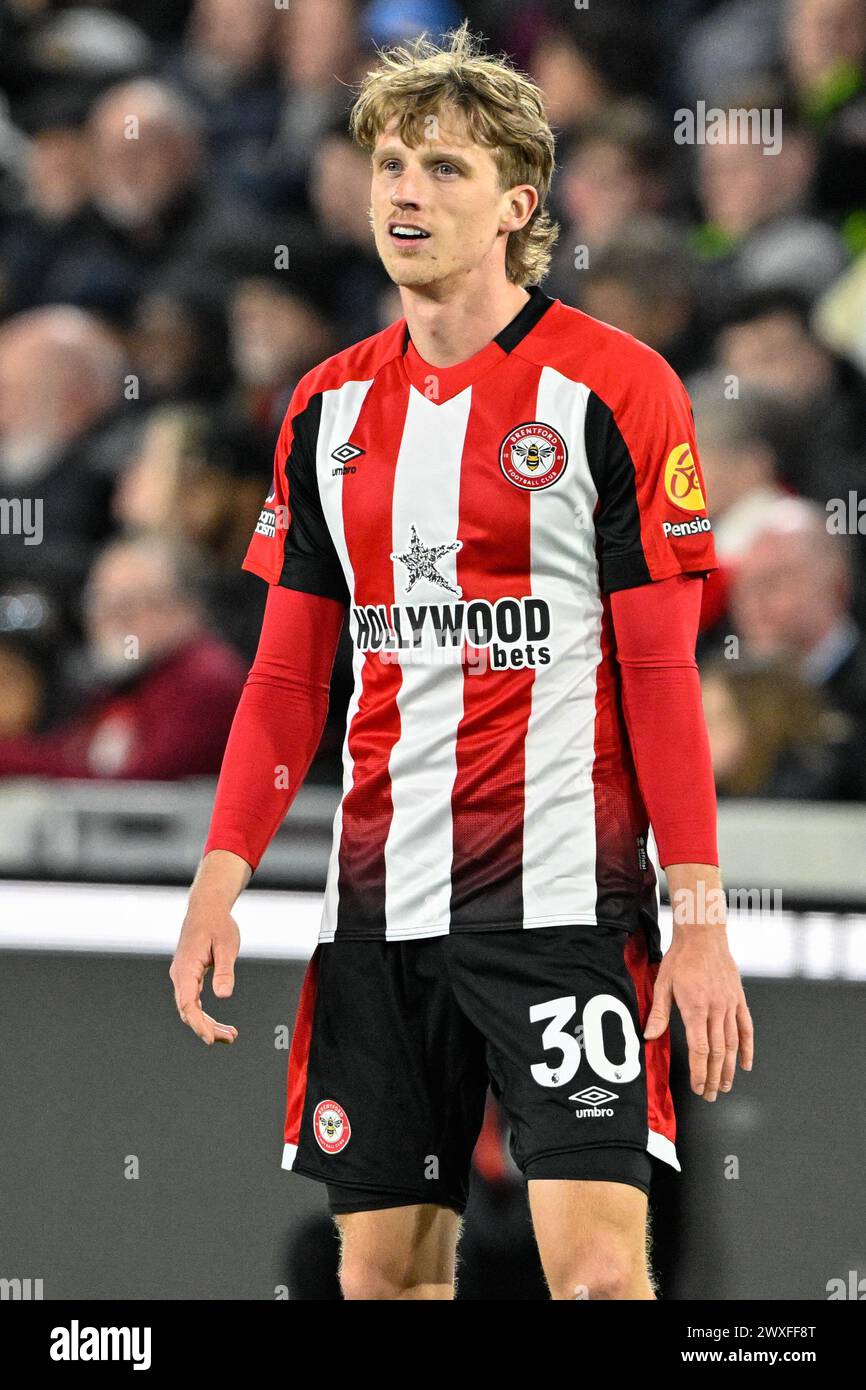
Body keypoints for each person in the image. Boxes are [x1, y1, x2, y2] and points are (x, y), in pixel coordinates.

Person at [171, 23, 753, 1302]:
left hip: (563, 910)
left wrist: (699, 919)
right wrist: (221, 873)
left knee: (599, 1276)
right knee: (382, 1279)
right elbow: (284, 680)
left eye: (440, 168)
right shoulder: (324, 409)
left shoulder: (614, 391)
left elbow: (659, 679)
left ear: (517, 205)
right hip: (377, 908)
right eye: (386, 163)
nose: (402, 192)